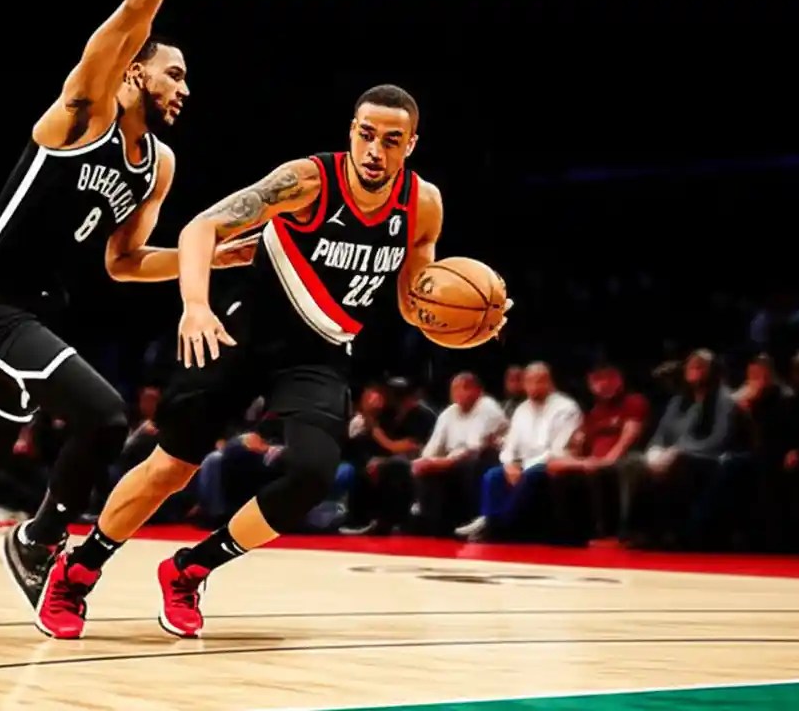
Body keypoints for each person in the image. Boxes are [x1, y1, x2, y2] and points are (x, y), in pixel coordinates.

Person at [31, 84, 511, 639]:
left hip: (323, 349)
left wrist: (472, 323)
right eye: (366, 134)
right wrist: (194, 305)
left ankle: (190, 570)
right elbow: (200, 228)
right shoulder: (308, 181)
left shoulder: (422, 203)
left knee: (310, 475)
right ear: (352, 132)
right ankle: (78, 568)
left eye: (391, 140)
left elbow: (413, 299)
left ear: (412, 145)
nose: (376, 150)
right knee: (172, 467)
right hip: (245, 331)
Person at [0, 0, 257, 604]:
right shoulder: (83, 115)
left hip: (34, 309)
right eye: (173, 73)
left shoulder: (158, 165)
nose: (184, 88)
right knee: (103, 417)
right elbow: (132, 15)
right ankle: (40, 539)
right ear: (134, 71)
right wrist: (145, 5)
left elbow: (123, 263)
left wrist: (202, 258)